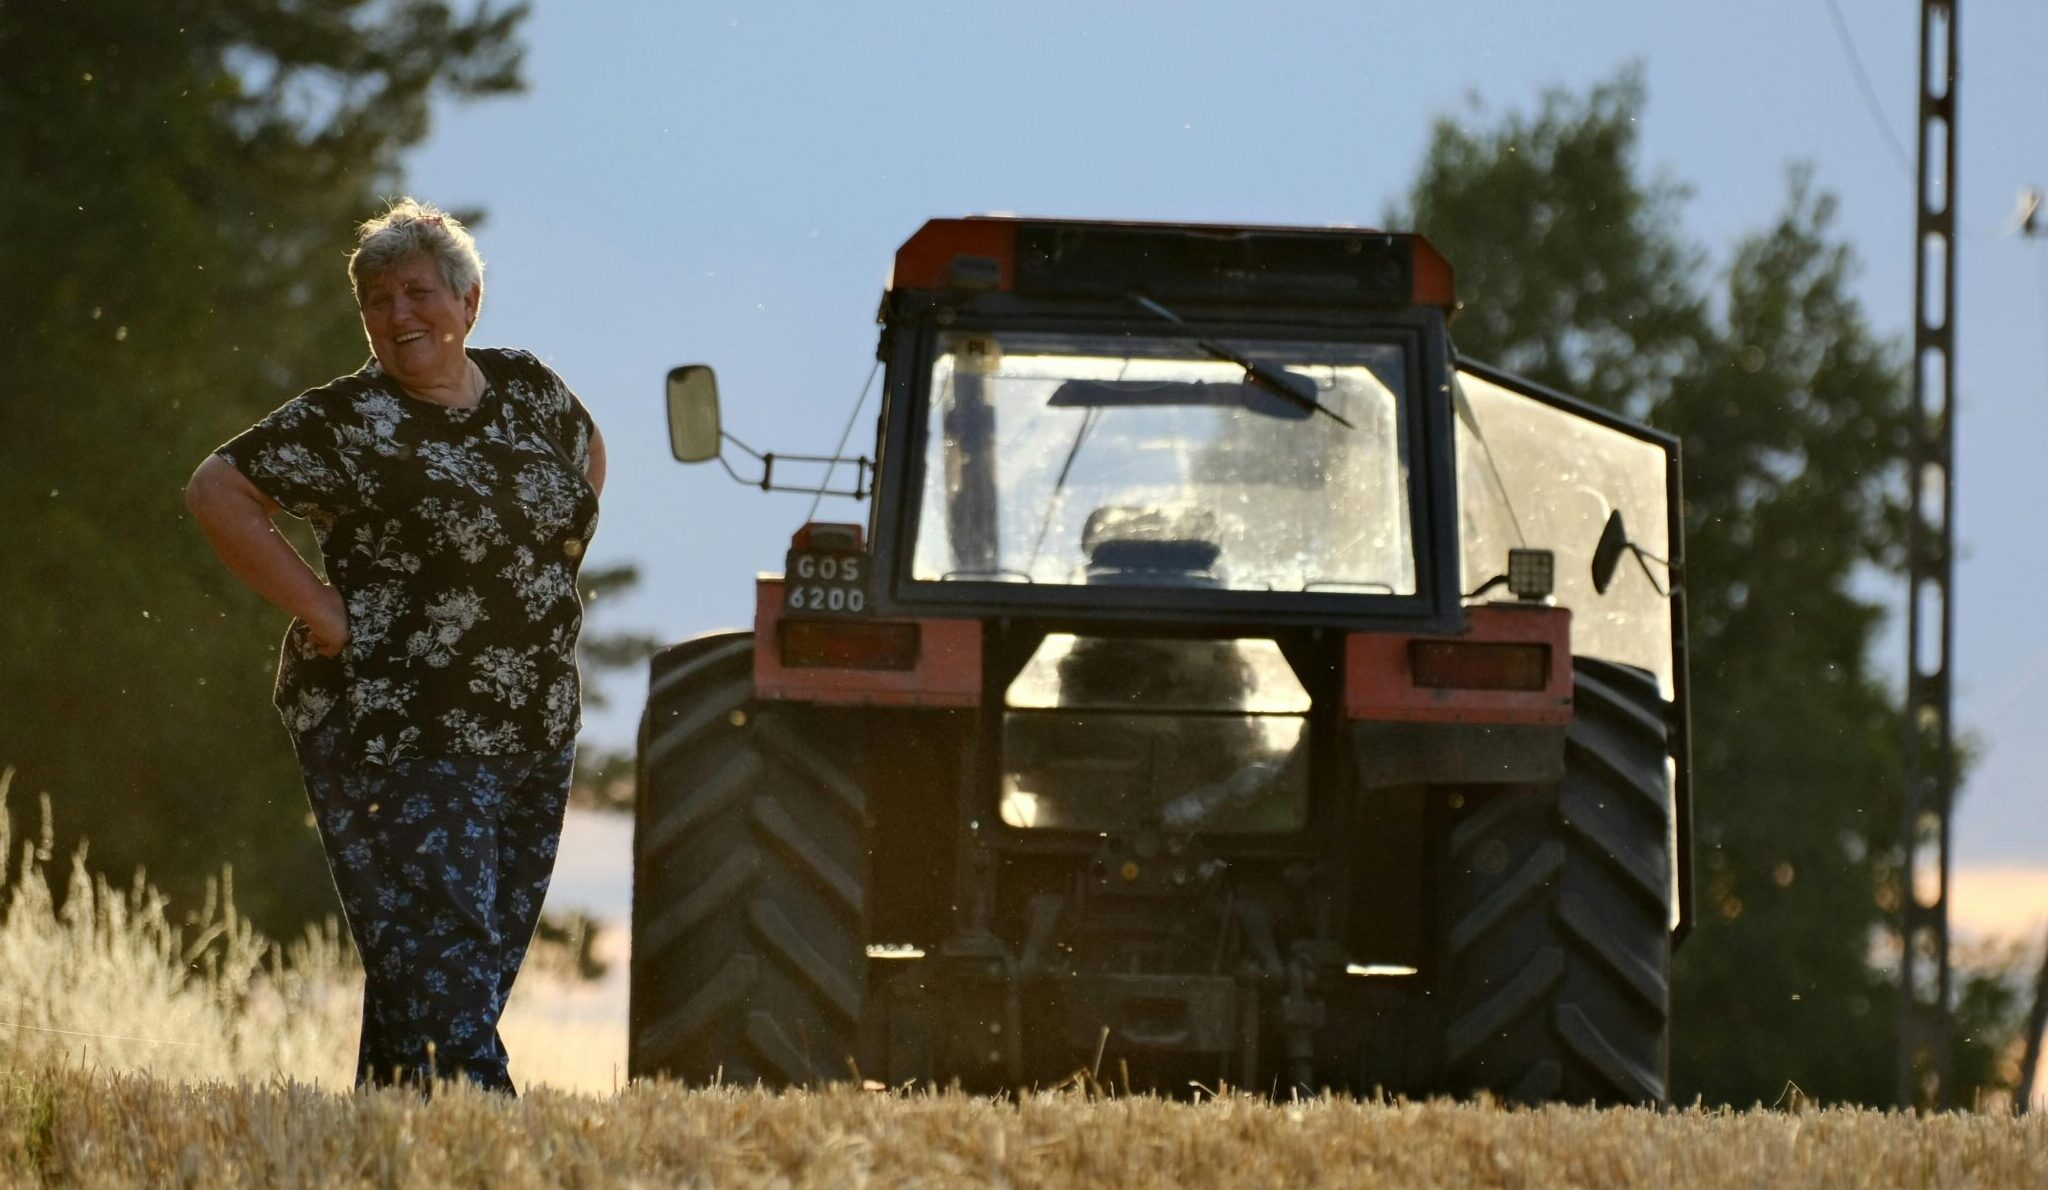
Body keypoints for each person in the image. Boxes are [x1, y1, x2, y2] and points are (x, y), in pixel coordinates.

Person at [185, 198, 606, 1094]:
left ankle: (396, 1132)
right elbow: (218, 491)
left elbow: (589, 457)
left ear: (469, 302)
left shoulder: (529, 390)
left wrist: (535, 572)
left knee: (461, 960)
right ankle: (487, 1139)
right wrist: (323, 612)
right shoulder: (345, 421)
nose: (398, 315)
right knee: (445, 958)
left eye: (417, 292)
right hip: (400, 725)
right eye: (377, 300)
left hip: (534, 723)